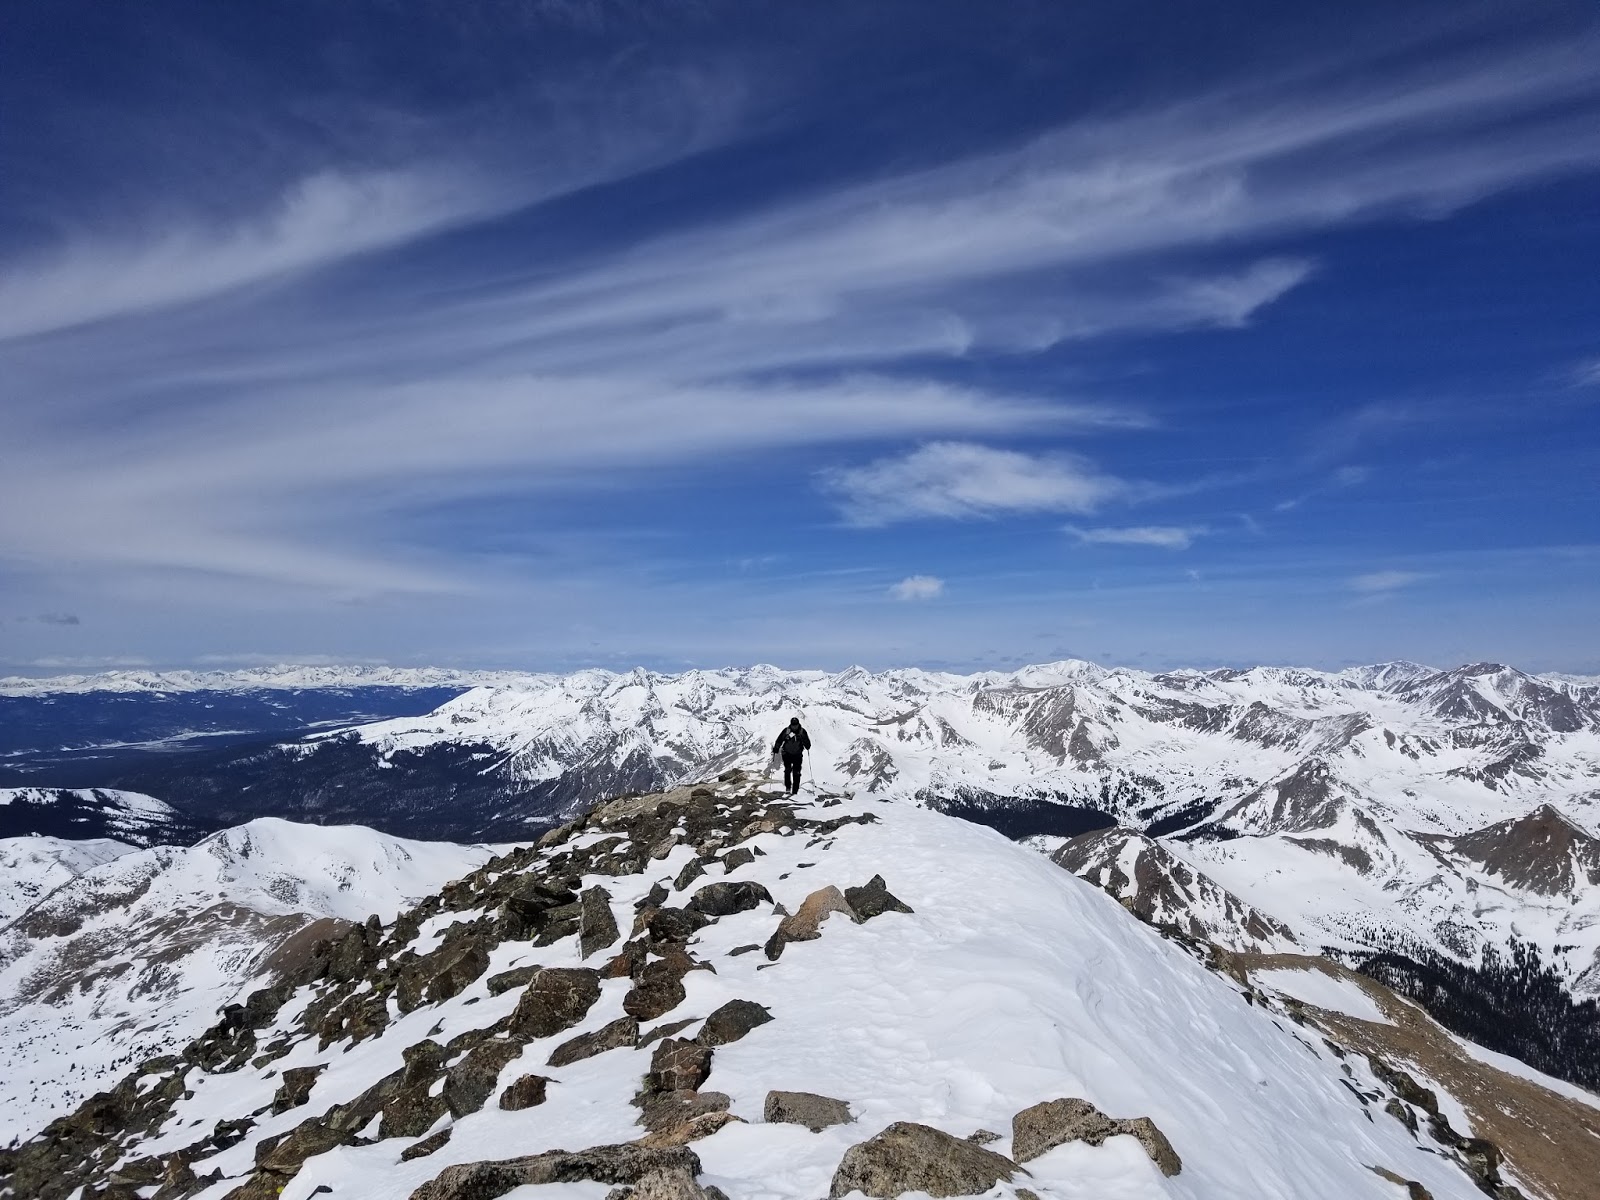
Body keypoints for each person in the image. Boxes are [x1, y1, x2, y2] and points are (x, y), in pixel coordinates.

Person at [771, 716, 812, 796]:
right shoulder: (786, 731)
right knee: (787, 770)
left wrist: (806, 744)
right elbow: (779, 740)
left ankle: (795, 791)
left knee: (796, 772)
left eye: (795, 725)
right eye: (793, 725)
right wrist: (776, 748)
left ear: (798, 724)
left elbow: (808, 744)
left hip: (797, 755)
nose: (794, 726)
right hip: (787, 754)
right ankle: (788, 788)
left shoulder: (802, 732)